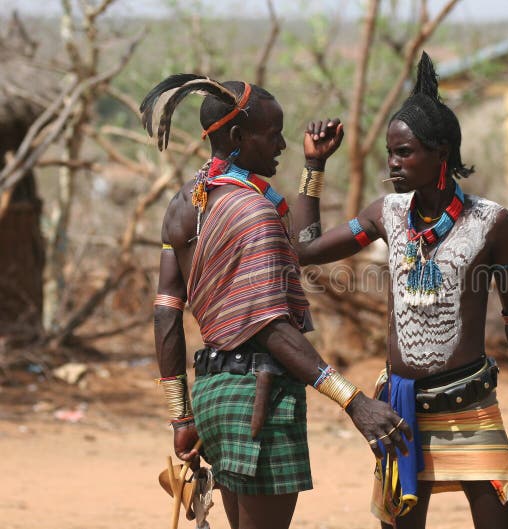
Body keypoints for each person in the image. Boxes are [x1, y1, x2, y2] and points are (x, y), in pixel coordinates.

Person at [290, 52, 508, 529]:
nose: (393, 162)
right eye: (390, 152)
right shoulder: (386, 213)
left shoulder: (491, 222)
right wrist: (313, 166)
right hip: (402, 414)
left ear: (441, 155)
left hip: (472, 408)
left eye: (405, 152)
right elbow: (305, 250)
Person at [143, 74, 411, 529]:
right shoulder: (253, 211)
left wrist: (180, 416)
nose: (282, 144)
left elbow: (167, 314)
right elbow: (271, 325)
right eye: (272, 134)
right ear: (235, 137)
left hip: (214, 397)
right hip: (259, 397)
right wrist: (354, 402)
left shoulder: (184, 205)